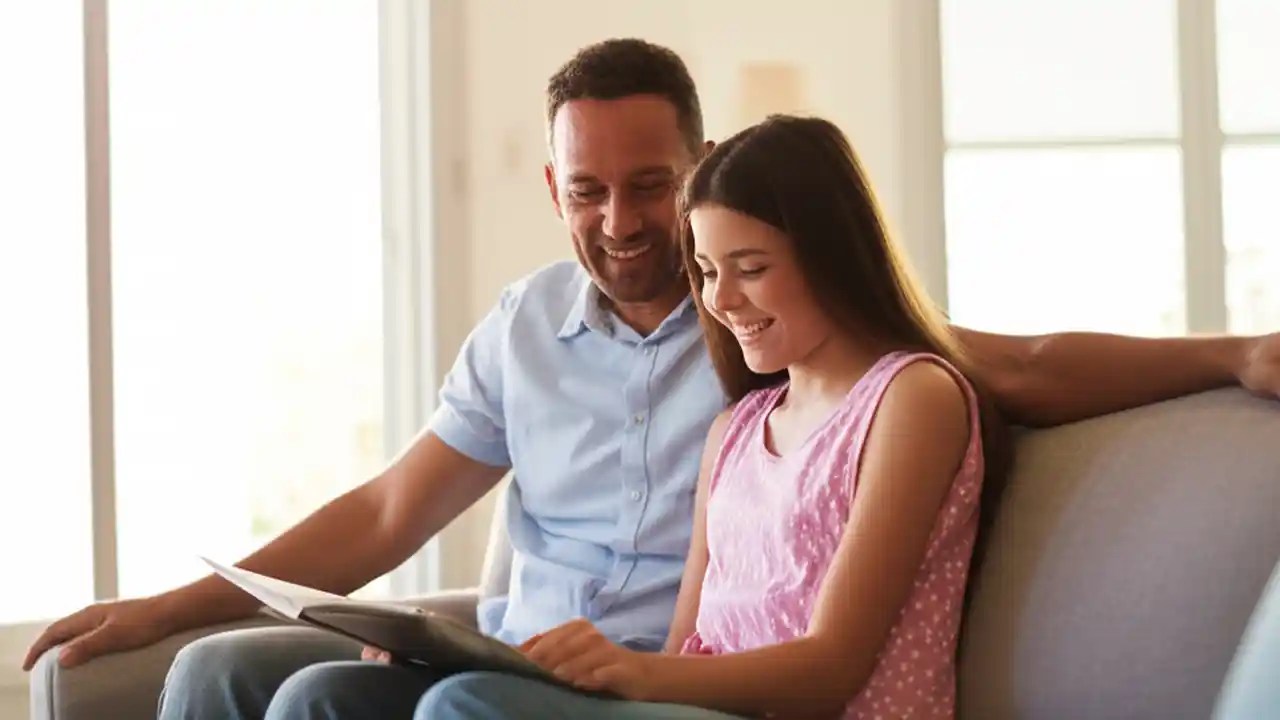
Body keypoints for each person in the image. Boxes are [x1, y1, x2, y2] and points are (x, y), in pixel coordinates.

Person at [22, 38, 1279, 720]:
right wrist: (172, 605)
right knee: (217, 673)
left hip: (657, 686)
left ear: (700, 164)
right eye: (588, 189)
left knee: (406, 704)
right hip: (529, 662)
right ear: (555, 190)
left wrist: (1227, 353)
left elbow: (1015, 364)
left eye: (649, 186)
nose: (622, 221)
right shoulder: (539, 335)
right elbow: (389, 513)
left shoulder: (801, 350)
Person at [421, 113, 1001, 720]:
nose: (720, 300)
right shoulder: (739, 428)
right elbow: (683, 652)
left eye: (750, 269)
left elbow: (831, 669)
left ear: (833, 256)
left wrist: (637, 671)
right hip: (700, 711)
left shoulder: (911, 398)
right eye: (707, 271)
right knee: (339, 694)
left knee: (464, 706)